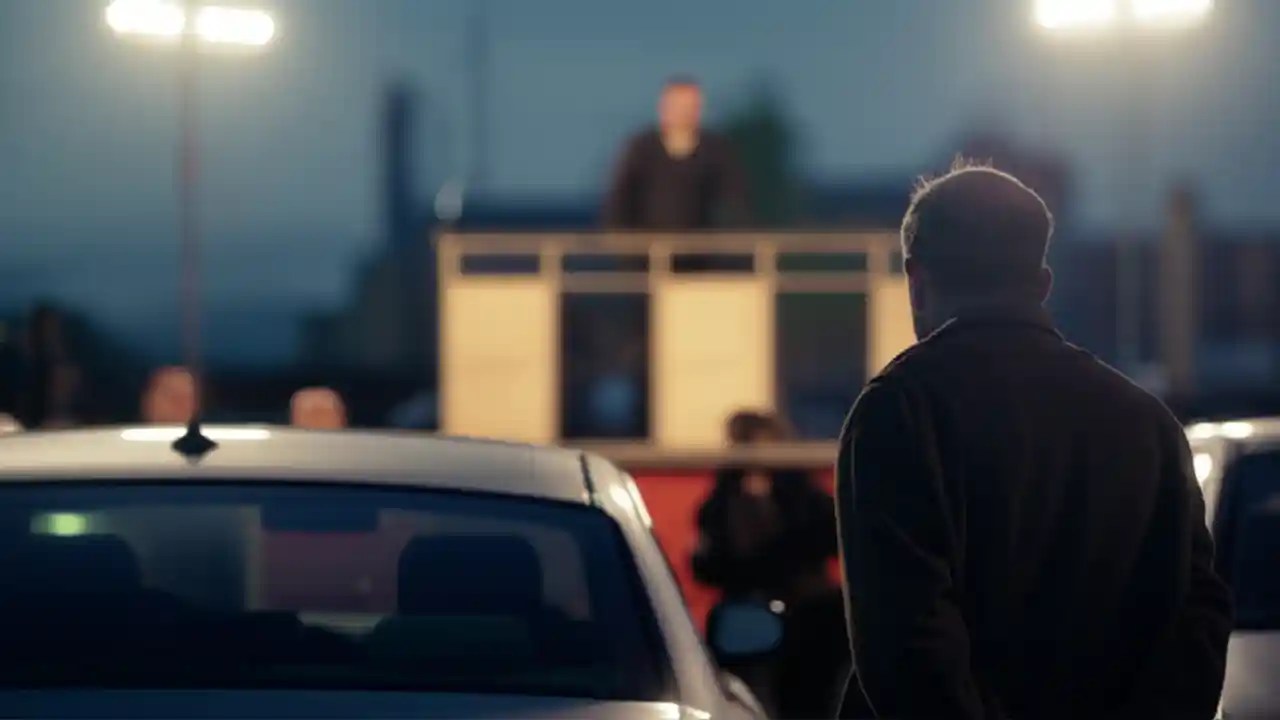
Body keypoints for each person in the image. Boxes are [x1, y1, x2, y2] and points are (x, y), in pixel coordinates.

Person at [836, 163, 1232, 719]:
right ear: (1043, 283)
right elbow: (1200, 616)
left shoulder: (899, 411)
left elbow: (904, 640)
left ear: (916, 280)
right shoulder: (1148, 424)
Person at [693, 410, 846, 719]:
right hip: (750, 624)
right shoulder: (722, 501)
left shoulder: (803, 495)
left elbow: (825, 538)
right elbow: (711, 562)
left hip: (807, 617)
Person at [603, 76, 749, 230]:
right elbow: (619, 201)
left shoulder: (716, 151)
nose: (684, 113)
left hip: (702, 249)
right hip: (645, 249)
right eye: (678, 106)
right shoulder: (641, 149)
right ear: (663, 107)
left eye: (691, 106)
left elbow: (736, 201)